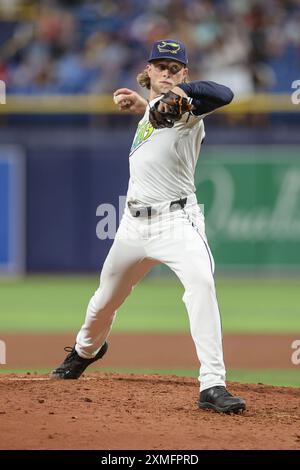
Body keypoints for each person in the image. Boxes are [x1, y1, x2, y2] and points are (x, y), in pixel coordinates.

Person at [50, 39, 246, 414]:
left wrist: (183, 92)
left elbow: (225, 93)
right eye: (161, 66)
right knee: (103, 302)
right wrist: (142, 108)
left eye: (175, 68)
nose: (168, 72)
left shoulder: (188, 107)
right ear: (149, 71)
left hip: (177, 222)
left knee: (202, 285)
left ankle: (212, 383)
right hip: (131, 227)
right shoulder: (152, 111)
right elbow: (157, 122)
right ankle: (86, 351)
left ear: (184, 73)